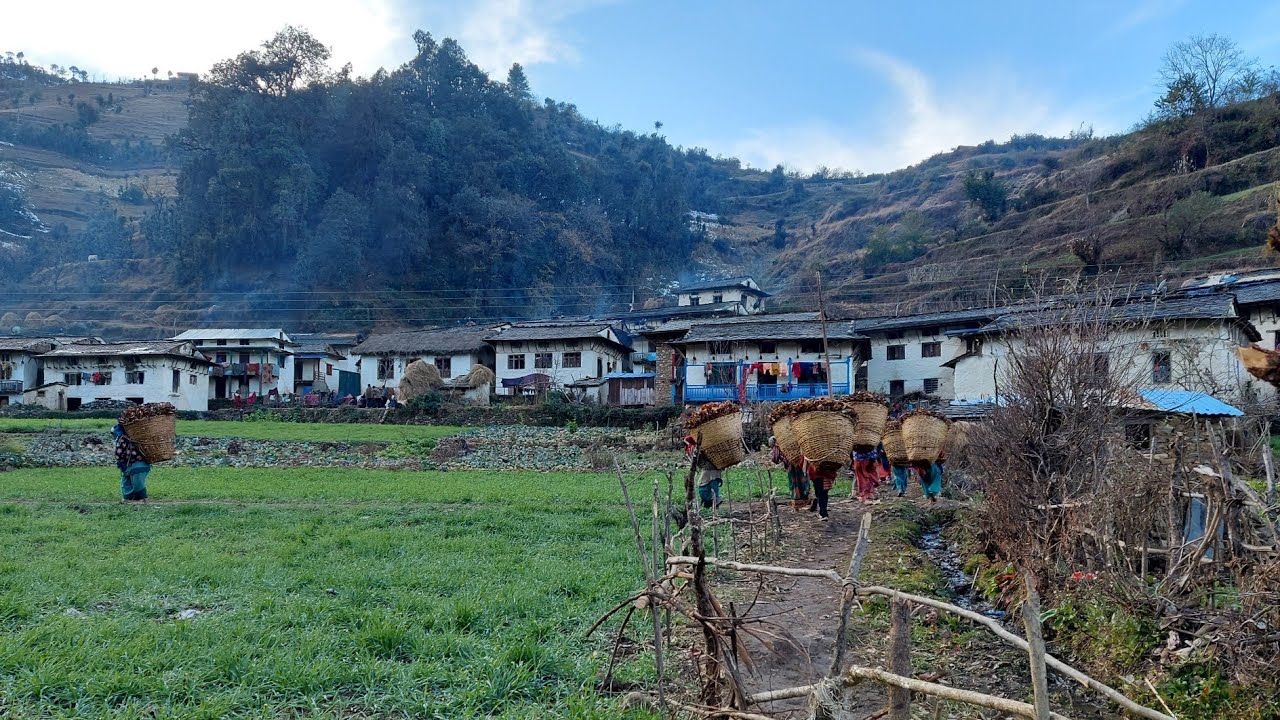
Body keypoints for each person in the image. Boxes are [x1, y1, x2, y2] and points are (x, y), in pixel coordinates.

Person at [769, 437, 811, 510]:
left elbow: (775, 459)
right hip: (802, 462)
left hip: (792, 465)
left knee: (794, 483)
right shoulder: (792, 443)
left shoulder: (777, 447)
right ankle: (808, 497)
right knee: (804, 481)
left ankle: (796, 504)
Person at [112, 424, 150, 502]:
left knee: (135, 483)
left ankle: (143, 499)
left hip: (135, 465)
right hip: (144, 464)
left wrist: (121, 462)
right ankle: (128, 498)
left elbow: (118, 454)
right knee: (131, 481)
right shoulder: (139, 436)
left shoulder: (121, 439)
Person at [685, 434, 723, 509]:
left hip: (708, 468)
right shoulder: (696, 447)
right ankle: (713, 501)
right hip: (713, 468)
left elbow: (695, 460)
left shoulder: (696, 448)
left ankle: (711, 501)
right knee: (712, 484)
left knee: (704, 486)